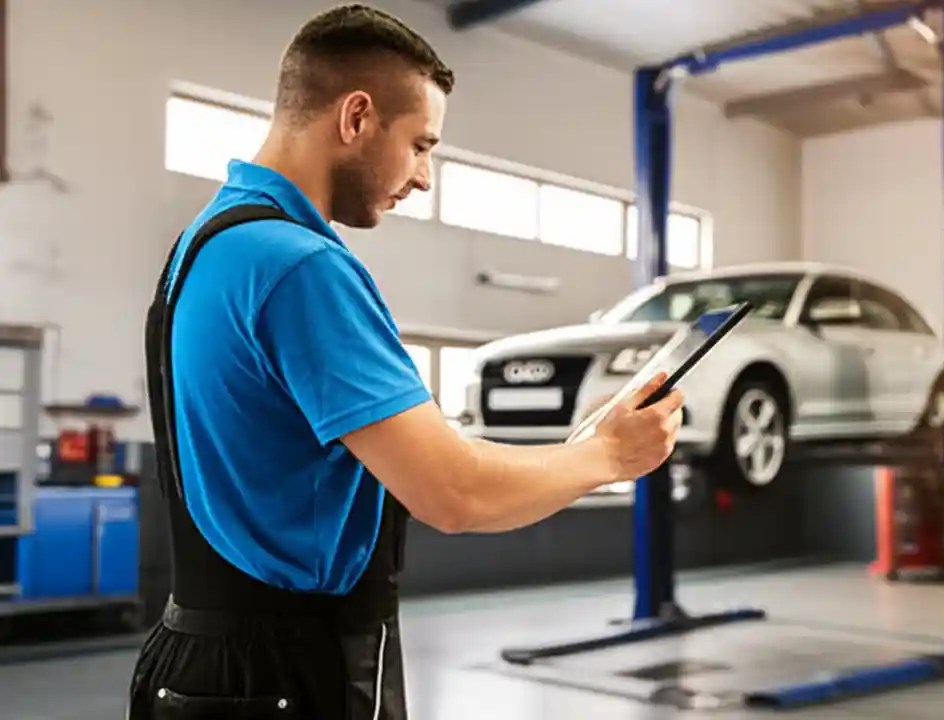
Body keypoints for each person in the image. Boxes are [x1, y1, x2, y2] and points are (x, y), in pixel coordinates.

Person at [127, 4, 684, 719]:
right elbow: (454, 493)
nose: (424, 176)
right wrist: (607, 455)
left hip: (197, 659)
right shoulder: (300, 267)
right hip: (289, 676)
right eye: (421, 144)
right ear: (356, 116)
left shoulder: (205, 244)